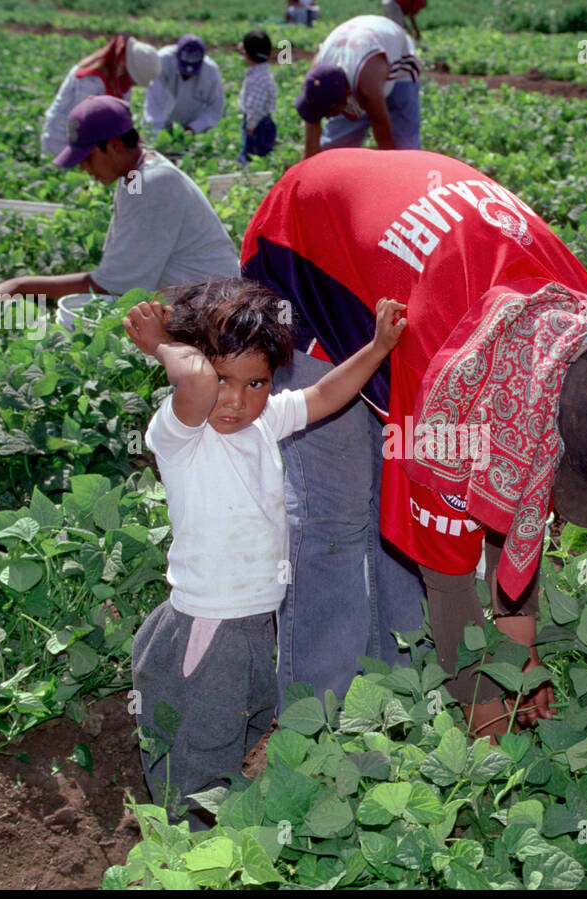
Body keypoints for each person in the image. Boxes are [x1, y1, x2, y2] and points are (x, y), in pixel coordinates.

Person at [242, 149, 587, 738]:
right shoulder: (451, 396)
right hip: (303, 248)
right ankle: (315, 725)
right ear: (549, 419)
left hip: (406, 279)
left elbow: (517, 504)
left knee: (391, 488)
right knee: (338, 514)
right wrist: (485, 714)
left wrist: (519, 662)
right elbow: (447, 568)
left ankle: (398, 683)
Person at [123, 281, 407, 830]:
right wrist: (160, 343)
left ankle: (225, 819)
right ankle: (187, 841)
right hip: (210, 627)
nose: (235, 399)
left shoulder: (262, 423)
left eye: (256, 382)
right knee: (203, 742)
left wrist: (376, 348)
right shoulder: (182, 434)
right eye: (223, 380)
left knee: (246, 722)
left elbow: (324, 395)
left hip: (256, 624)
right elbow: (197, 379)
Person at [0, 95, 240, 302]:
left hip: (213, 311)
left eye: (88, 158)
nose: (84, 168)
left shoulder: (153, 185)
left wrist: (20, 285)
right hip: (197, 301)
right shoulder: (136, 174)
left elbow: (112, 287)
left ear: (116, 146)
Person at [296, 14, 421, 157]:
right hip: (360, 44)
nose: (328, 118)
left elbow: (382, 129)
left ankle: (407, 172)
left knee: (403, 148)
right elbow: (311, 138)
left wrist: (389, 166)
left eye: (329, 113)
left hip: (397, 57)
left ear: (345, 97)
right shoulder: (314, 84)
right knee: (334, 151)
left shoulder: (368, 88)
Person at [40, 35, 160, 157]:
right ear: (125, 67)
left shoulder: (120, 81)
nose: (133, 84)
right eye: (134, 79)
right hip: (61, 142)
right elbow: (84, 123)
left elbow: (121, 118)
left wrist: (137, 143)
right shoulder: (91, 79)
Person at [144, 33, 223, 136]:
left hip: (193, 128)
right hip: (161, 121)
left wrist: (193, 128)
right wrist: (156, 136)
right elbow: (154, 102)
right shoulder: (162, 62)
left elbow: (215, 108)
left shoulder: (210, 71)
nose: (187, 75)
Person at [237, 29, 277, 165]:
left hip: (257, 126)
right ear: (270, 53)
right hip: (260, 123)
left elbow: (255, 108)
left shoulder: (257, 78)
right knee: (259, 160)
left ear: (246, 54)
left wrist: (250, 128)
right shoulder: (263, 74)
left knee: (250, 159)